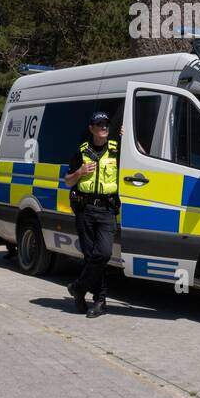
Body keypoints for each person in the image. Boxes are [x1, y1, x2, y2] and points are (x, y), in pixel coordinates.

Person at [63, 110, 118, 318]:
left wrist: (127, 136)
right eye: (99, 124)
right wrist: (80, 172)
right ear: (91, 129)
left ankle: (78, 287)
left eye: (106, 124)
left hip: (107, 210)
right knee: (90, 257)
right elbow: (68, 180)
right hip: (85, 209)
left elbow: (140, 154)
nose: (104, 127)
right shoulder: (81, 152)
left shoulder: (117, 149)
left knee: (103, 254)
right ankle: (99, 301)